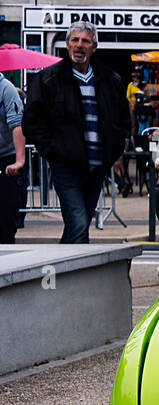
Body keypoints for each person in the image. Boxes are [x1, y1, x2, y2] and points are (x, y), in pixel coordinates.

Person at [22, 22, 130, 243]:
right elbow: (32, 121)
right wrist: (51, 151)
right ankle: (77, 274)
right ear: (67, 44)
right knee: (79, 222)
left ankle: (64, 271)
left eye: (85, 41)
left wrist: (114, 149)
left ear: (94, 47)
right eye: (75, 40)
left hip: (97, 166)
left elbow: (123, 119)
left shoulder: (110, 80)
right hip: (65, 166)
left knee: (78, 224)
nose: (79, 45)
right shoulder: (49, 79)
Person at [0, 74, 25, 244]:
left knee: (5, 215)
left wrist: (19, 160)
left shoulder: (6, 89)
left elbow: (16, 124)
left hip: (5, 158)